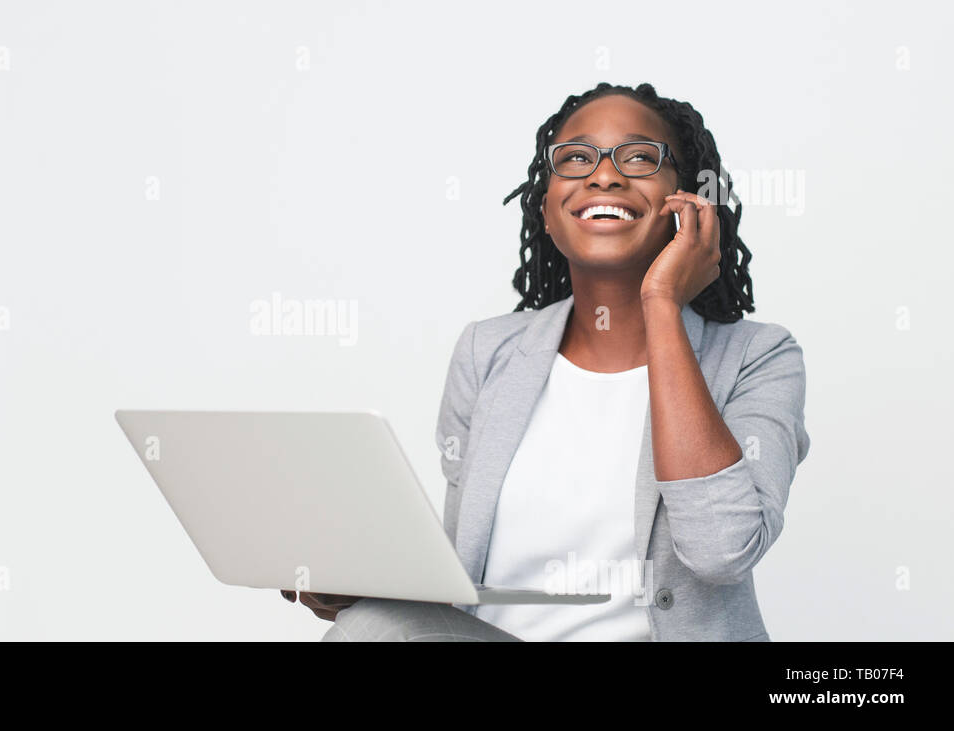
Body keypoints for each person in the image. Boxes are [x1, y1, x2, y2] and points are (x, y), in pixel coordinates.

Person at [283, 82, 811, 641]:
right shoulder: (487, 353)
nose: (603, 175)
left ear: (691, 202)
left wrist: (662, 305)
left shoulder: (759, 356)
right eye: (576, 158)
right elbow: (465, 577)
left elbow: (722, 551)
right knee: (369, 624)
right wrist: (372, 585)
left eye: (638, 157)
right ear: (547, 209)